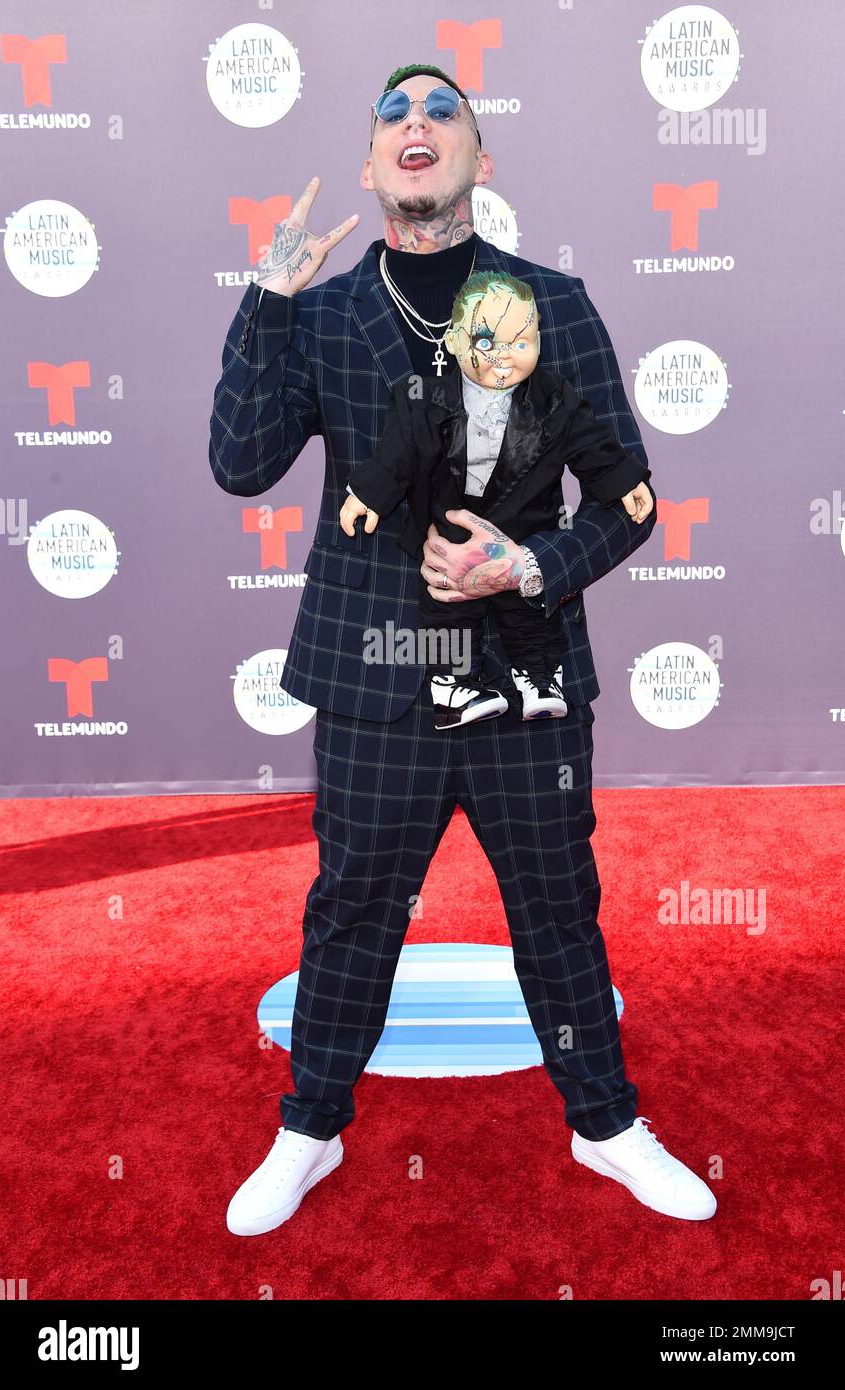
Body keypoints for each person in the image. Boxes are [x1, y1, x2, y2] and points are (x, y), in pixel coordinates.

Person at [209, 62, 717, 1235]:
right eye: (393, 115)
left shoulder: (555, 302)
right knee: (351, 909)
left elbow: (628, 495)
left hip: (522, 673)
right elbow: (239, 464)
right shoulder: (324, 311)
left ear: (482, 162)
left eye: (443, 112)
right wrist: (266, 297)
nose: (416, 124)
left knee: (555, 905)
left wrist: (527, 565)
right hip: (371, 676)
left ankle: (605, 1126)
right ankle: (308, 1129)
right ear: (371, 167)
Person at [340, 269, 654, 728]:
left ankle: (540, 676)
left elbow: (592, 445)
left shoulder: (555, 401)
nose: (504, 357)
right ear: (452, 341)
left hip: (523, 531)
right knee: (448, 610)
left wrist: (622, 479)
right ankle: (453, 685)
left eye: (521, 343)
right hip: (447, 537)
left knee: (529, 607)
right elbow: (395, 457)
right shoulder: (421, 400)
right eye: (486, 341)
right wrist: (366, 494)